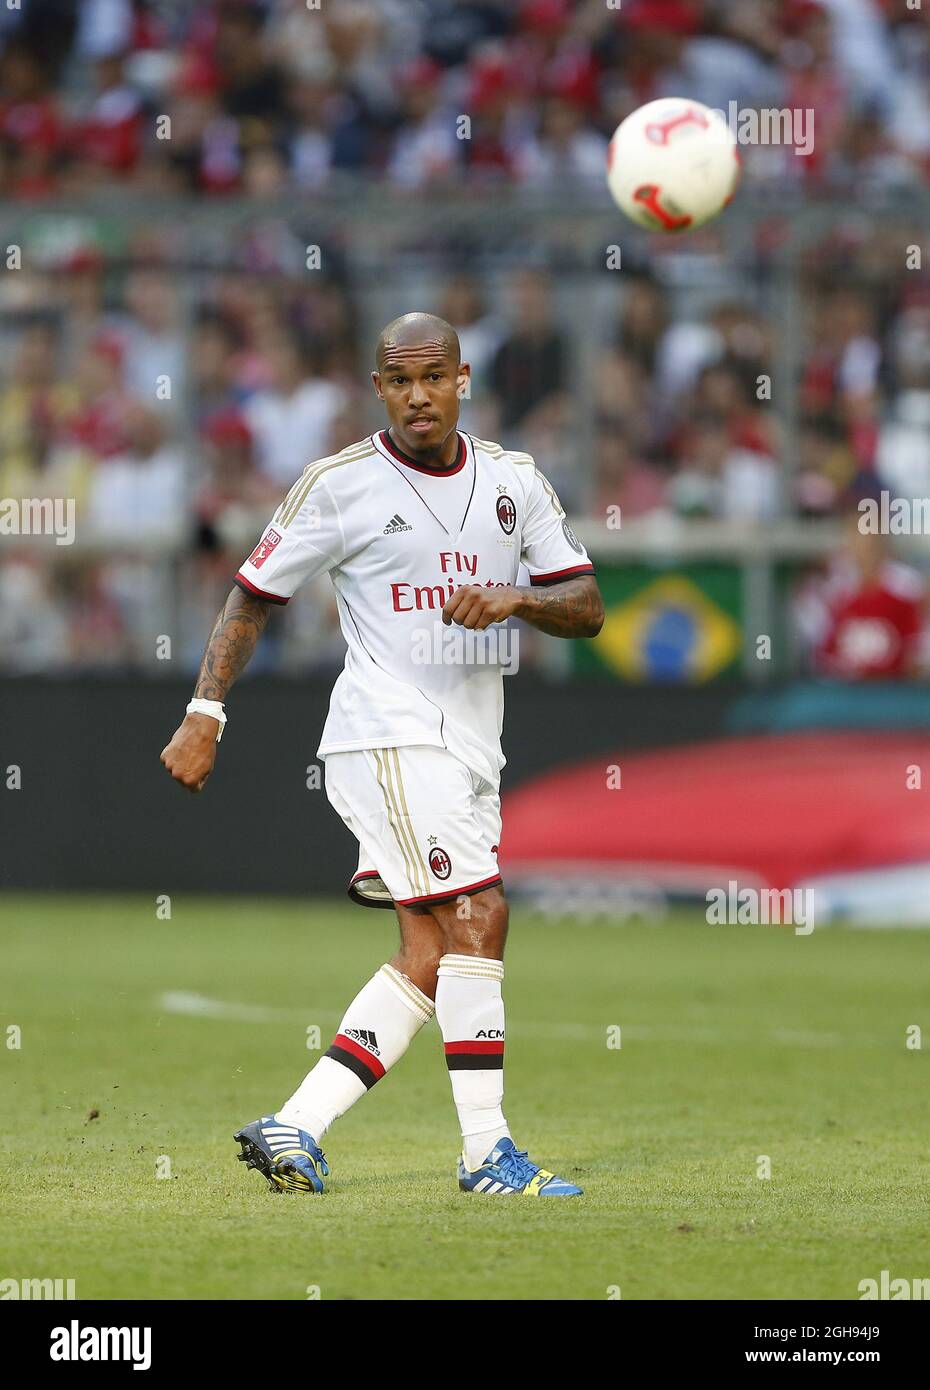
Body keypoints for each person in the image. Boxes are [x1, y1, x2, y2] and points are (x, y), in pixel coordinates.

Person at [160, 312, 604, 1198]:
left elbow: (587, 605)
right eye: (399, 380)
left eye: (432, 376)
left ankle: (296, 1124)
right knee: (481, 912)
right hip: (387, 734)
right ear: (378, 388)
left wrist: (515, 598)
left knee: (432, 958)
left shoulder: (514, 480)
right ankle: (487, 1155)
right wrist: (205, 711)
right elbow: (251, 599)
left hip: (472, 749)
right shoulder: (340, 485)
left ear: (463, 378)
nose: (417, 395)